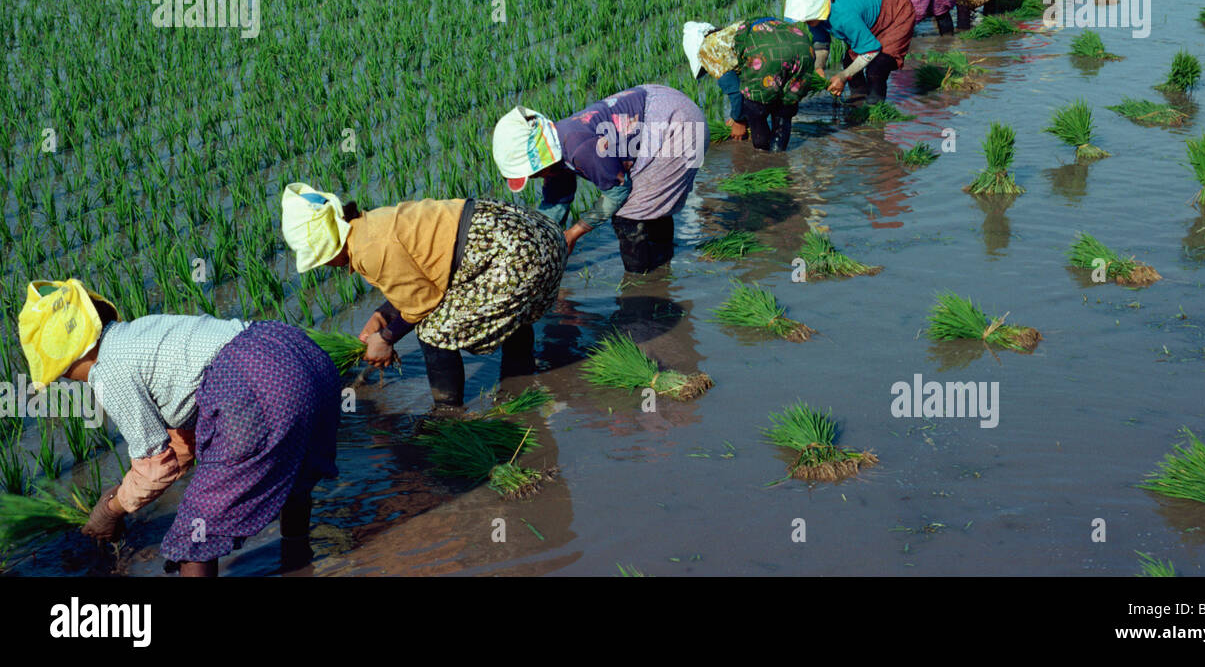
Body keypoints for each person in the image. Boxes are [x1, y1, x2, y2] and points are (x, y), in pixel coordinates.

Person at [18, 279, 339, 577]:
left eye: (61, 373)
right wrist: (128, 495)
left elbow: (157, 467)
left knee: (195, 530)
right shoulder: (140, 332)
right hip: (299, 353)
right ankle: (298, 560)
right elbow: (182, 446)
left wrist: (110, 509)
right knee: (294, 475)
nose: (67, 380)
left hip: (252, 383)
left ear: (71, 357)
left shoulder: (107, 371)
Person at [281, 184, 564, 408]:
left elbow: (423, 304)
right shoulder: (368, 226)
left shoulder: (370, 250)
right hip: (534, 235)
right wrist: (382, 316)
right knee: (491, 303)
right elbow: (425, 276)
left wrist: (386, 338)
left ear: (329, 246)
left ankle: (447, 411)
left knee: (433, 331)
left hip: (518, 255)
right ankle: (520, 381)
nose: (321, 265)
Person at [493, 86, 706, 274]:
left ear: (539, 160)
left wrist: (574, 233)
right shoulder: (556, 148)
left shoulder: (580, 149)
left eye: (533, 173)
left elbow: (618, 192)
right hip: (660, 105)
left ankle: (643, 282)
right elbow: (555, 203)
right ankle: (661, 268)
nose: (535, 178)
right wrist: (542, 241)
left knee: (629, 215)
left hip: (678, 125)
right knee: (647, 203)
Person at [683, 18, 821, 152]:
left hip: (767, 54)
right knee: (784, 108)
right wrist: (735, 113)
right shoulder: (733, 33)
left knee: (755, 108)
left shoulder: (707, 49)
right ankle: (778, 158)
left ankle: (763, 158)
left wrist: (739, 121)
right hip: (803, 45)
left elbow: (736, 91)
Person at [787, 0, 915, 105]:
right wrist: (819, 67)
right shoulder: (815, 18)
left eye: (807, 17)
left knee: (878, 67)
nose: (805, 21)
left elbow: (870, 51)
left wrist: (842, 77)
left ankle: (875, 108)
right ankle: (858, 100)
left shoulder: (843, 17)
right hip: (870, 12)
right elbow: (821, 43)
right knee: (849, 61)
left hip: (895, 8)